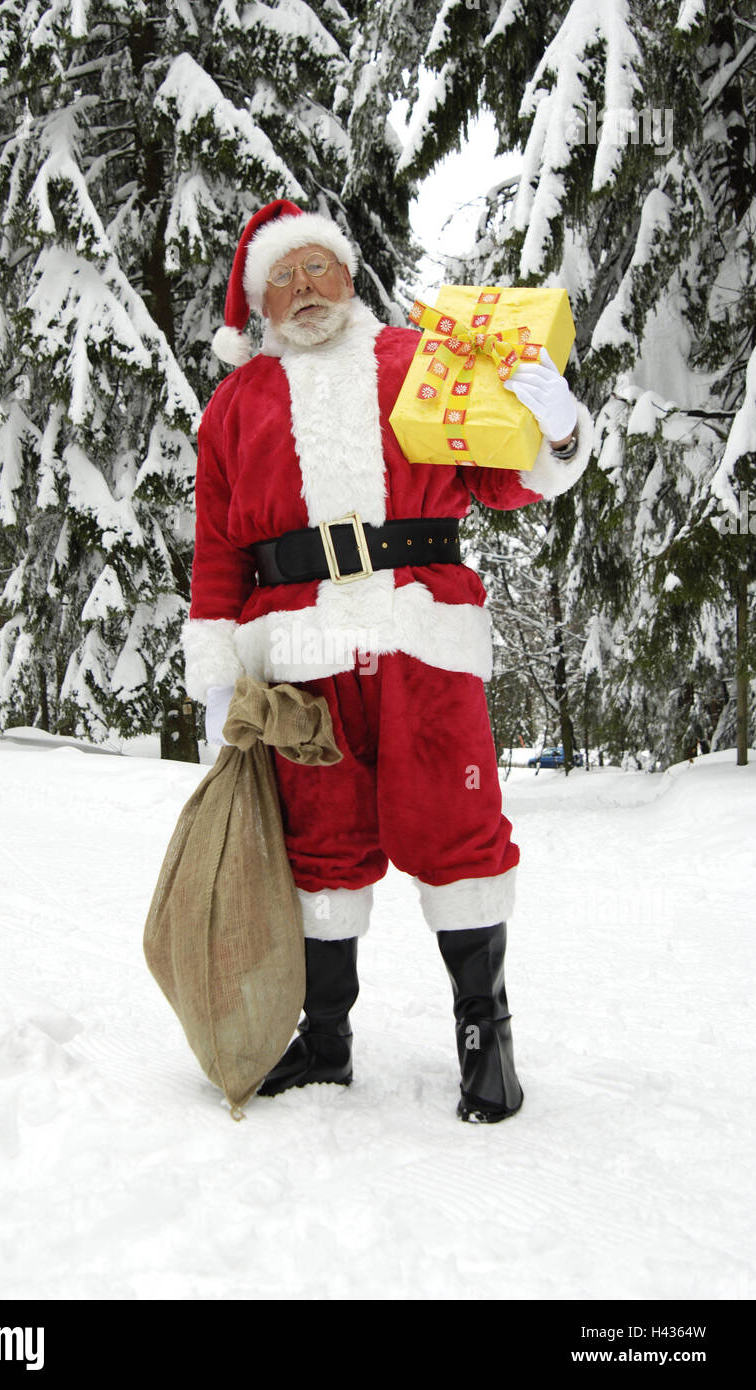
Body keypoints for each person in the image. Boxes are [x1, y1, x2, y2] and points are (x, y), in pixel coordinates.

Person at [181, 199, 592, 1122]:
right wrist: (216, 674)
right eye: (280, 279)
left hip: (421, 637)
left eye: (316, 267)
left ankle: (485, 1037)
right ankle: (325, 1040)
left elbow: (497, 478)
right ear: (259, 306)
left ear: (349, 273)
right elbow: (216, 552)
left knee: (456, 828)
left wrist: (557, 433)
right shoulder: (233, 407)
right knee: (318, 841)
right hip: (297, 655)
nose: (303, 289)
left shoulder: (418, 364)